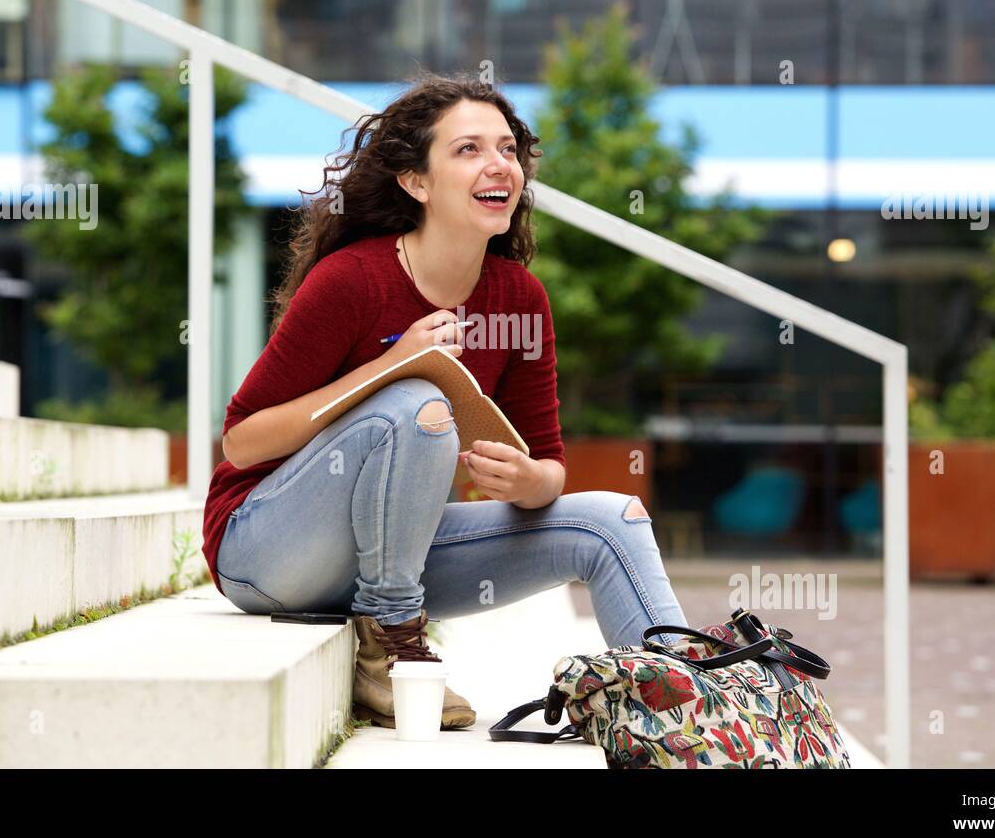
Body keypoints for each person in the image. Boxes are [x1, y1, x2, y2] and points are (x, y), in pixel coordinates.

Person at [203, 73, 689, 731]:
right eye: (468, 149)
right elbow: (241, 441)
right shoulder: (353, 281)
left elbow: (548, 466)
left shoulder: (519, 298)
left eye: (509, 149)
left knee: (614, 520)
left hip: (393, 549)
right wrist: (388, 367)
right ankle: (394, 647)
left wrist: (528, 481)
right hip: (266, 550)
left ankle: (684, 707)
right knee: (417, 399)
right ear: (416, 182)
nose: (499, 165)